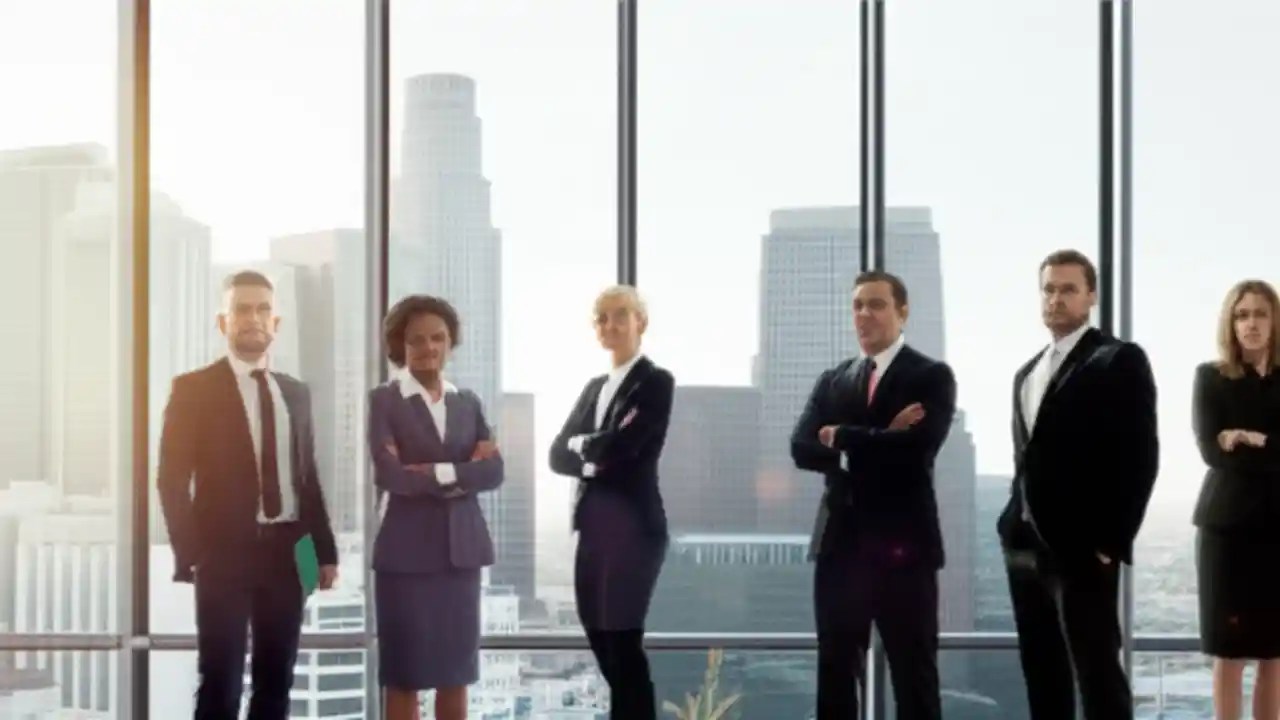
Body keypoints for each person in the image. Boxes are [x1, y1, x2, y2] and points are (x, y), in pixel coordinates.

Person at [157, 270, 339, 720]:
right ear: (224, 322)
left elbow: (307, 479)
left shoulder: (296, 393)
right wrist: (194, 553)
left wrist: (324, 554)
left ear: (275, 324)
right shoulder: (193, 389)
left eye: (262, 309)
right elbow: (171, 479)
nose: (252, 318)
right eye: (241, 309)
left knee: (277, 682)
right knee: (220, 681)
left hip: (290, 552)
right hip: (224, 555)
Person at [998, 249, 1159, 720]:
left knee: (1098, 678)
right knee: (1042, 677)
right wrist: (1011, 522)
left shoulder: (1118, 360)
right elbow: (1025, 460)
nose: (1056, 299)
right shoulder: (1025, 372)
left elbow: (1140, 456)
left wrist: (1111, 541)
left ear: (1091, 296)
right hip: (1023, 547)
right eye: (1049, 289)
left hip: (1082, 550)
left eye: (1068, 289)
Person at [791, 269, 956, 720]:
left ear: (903, 312)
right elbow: (800, 447)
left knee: (914, 680)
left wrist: (840, 436)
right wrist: (881, 437)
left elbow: (917, 449)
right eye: (858, 305)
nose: (865, 314)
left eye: (877, 304)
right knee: (835, 680)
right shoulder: (834, 379)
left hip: (905, 552)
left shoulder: (931, 376)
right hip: (839, 549)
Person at [368, 295, 504, 720]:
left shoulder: (468, 403)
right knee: (404, 677)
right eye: (417, 340)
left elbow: (494, 471)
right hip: (405, 558)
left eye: (438, 338)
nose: (429, 348)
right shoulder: (384, 401)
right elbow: (390, 474)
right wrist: (463, 471)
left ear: (450, 342)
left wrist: (438, 474)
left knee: (455, 675)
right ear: (400, 346)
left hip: (461, 556)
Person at [549, 285, 673, 720]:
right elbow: (556, 453)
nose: (611, 325)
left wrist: (588, 447)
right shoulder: (594, 388)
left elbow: (625, 446)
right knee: (597, 630)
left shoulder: (655, 382)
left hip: (635, 532)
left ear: (641, 322)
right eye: (602, 318)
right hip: (593, 530)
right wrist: (591, 457)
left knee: (622, 643)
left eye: (621, 315)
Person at [1191, 279, 1280, 720]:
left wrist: (1247, 438)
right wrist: (1269, 446)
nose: (1251, 324)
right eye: (1242, 315)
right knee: (1229, 655)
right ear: (1231, 323)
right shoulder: (1211, 377)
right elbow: (1211, 451)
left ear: (1275, 321)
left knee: (1275, 655)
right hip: (1226, 532)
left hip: (1279, 531)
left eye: (1260, 313)